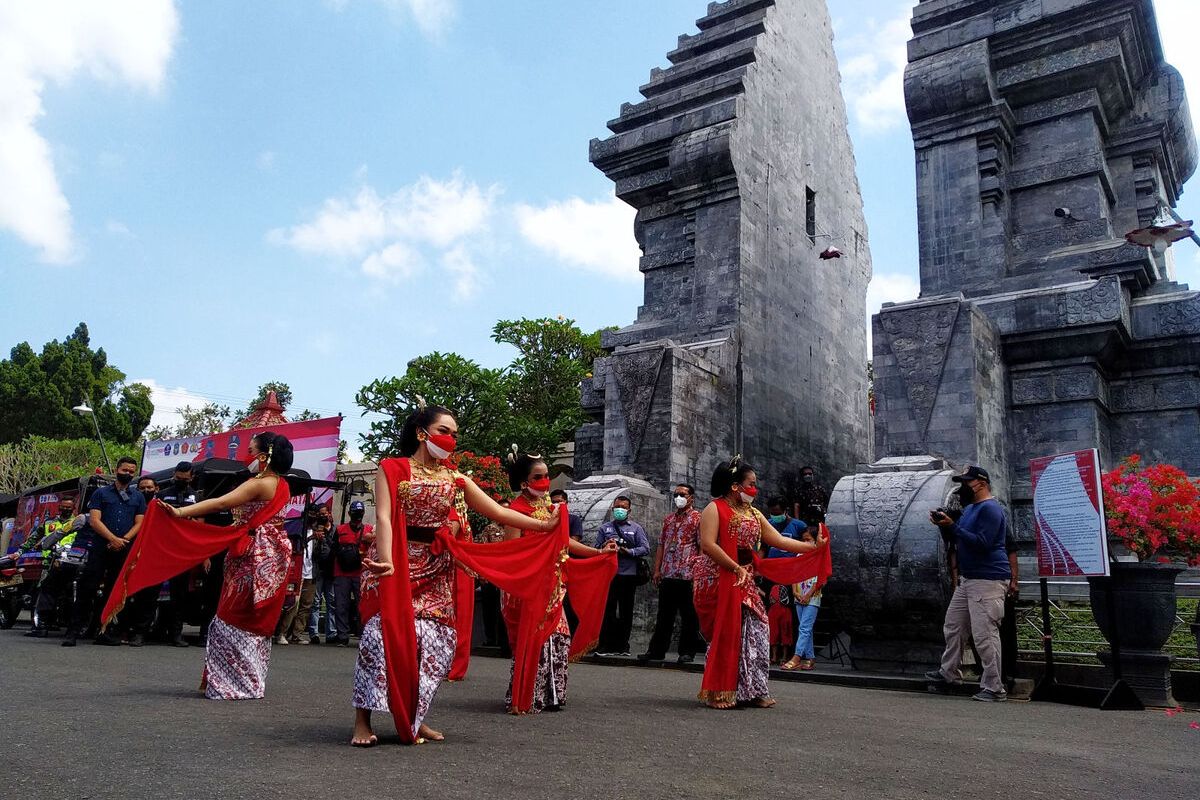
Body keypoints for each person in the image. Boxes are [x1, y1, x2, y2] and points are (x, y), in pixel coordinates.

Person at [350, 405, 569, 746]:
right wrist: (387, 560)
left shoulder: (455, 478)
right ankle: (362, 720)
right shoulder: (393, 469)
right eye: (444, 431)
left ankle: (415, 717)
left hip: (437, 569)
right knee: (380, 639)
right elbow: (383, 517)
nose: (451, 439)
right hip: (396, 564)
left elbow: (498, 511)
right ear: (422, 433)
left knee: (437, 644)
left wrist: (545, 525)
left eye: (454, 433)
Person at [694, 457, 829, 709]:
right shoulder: (714, 509)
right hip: (720, 575)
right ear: (735, 486)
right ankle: (720, 690)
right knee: (728, 631)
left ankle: (752, 689)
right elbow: (708, 545)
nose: (755, 488)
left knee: (757, 629)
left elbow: (779, 540)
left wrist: (812, 547)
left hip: (744, 576)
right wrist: (734, 568)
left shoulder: (754, 513)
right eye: (751, 483)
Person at [502, 452, 617, 712]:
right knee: (536, 638)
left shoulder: (551, 509)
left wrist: (598, 553)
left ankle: (552, 694)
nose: (545, 481)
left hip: (552, 583)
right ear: (523, 483)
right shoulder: (516, 511)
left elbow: (565, 542)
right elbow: (510, 551)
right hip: (529, 585)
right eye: (538, 477)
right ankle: (528, 694)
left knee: (559, 636)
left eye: (547, 476)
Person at [926, 465, 1011, 703]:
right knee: (953, 626)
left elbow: (982, 543)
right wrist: (946, 524)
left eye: (967, 482)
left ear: (981, 483)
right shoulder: (972, 508)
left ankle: (995, 687)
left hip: (987, 578)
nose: (964, 486)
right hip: (969, 578)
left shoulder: (991, 509)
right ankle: (949, 673)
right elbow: (960, 536)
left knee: (984, 634)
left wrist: (952, 526)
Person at [62, 457, 147, 647]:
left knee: (113, 592)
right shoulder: (101, 493)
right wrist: (112, 539)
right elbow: (94, 520)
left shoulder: (138, 497)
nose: (128, 474)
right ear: (117, 470)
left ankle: (104, 631)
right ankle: (73, 632)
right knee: (87, 588)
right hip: (100, 547)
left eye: (132, 471)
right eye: (125, 470)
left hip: (122, 549)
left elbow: (140, 523)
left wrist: (123, 540)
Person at [638, 483, 702, 664]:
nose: (678, 498)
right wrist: (657, 569)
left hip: (688, 573)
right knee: (664, 615)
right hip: (668, 572)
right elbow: (661, 545)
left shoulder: (698, 518)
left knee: (689, 615)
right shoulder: (669, 519)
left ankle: (687, 651)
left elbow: (703, 546)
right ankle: (656, 651)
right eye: (676, 494)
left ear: (691, 498)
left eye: (682, 494)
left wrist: (699, 572)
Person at [595, 496, 650, 657]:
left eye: (623, 507)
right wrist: (605, 546)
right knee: (608, 610)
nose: (620, 509)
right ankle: (605, 644)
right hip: (609, 574)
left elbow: (645, 548)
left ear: (629, 510)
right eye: (617, 506)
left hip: (628, 574)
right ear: (613, 509)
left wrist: (629, 551)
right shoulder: (605, 528)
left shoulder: (636, 528)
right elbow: (596, 548)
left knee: (626, 611)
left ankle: (623, 645)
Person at [155, 462, 203, 647]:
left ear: (191, 477)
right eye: (179, 477)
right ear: (174, 474)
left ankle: (175, 634)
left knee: (179, 595)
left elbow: (200, 522)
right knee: (154, 592)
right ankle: (144, 632)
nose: (182, 480)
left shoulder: (196, 496)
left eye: (186, 478)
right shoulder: (162, 494)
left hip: (183, 552)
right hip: (163, 549)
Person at [24, 498, 83, 638]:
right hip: (50, 562)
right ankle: (39, 626)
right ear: (59, 507)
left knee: (70, 595)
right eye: (64, 506)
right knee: (43, 592)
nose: (66, 509)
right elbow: (38, 538)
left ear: (73, 508)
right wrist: (21, 551)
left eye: (69, 507)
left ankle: (67, 624)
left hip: (72, 563)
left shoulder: (79, 522)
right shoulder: (49, 522)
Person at [331, 501, 373, 647]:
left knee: (362, 605)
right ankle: (342, 636)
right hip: (341, 572)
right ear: (349, 513)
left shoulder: (369, 530)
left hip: (361, 572)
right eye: (355, 512)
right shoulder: (340, 529)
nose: (357, 515)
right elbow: (333, 549)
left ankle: (363, 635)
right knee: (341, 605)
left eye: (360, 512)